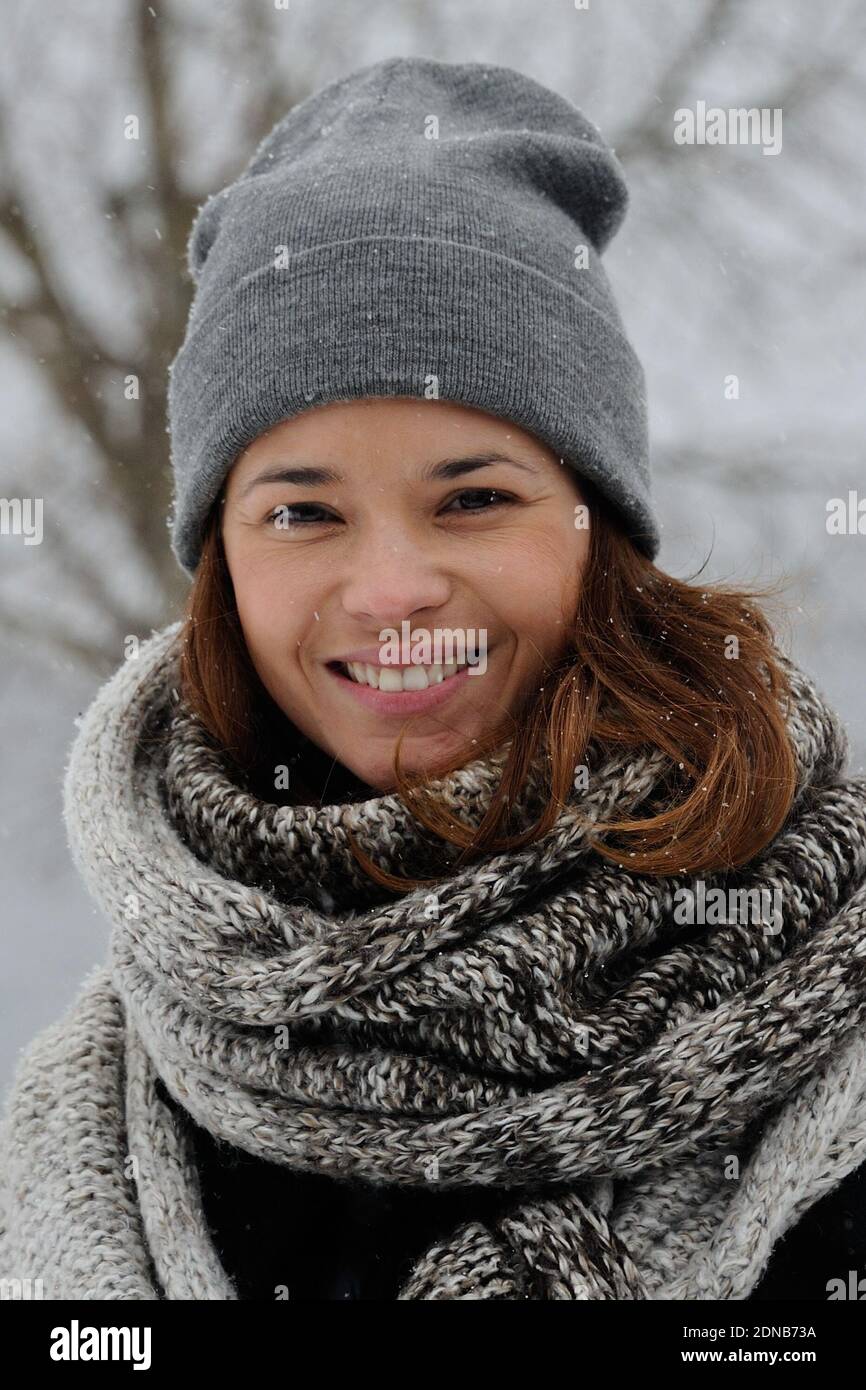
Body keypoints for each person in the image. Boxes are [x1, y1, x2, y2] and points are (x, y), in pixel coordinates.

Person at [2, 55, 865, 1302]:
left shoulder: (827, 998)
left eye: (472, 499)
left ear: (597, 529)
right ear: (222, 570)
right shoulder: (103, 1103)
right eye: (302, 513)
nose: (390, 588)